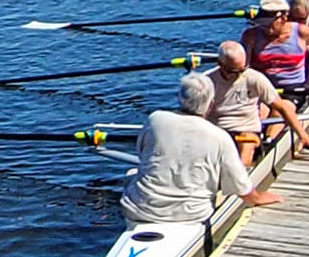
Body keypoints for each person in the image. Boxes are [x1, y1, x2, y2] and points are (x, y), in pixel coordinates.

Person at [120, 72, 282, 227]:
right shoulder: (220, 137)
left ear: (179, 98)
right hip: (191, 215)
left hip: (140, 210)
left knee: (132, 173)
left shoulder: (155, 119)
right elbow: (240, 185)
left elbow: (141, 153)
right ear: (211, 105)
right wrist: (257, 198)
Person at [206, 41, 309, 165]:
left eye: (242, 69)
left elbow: (282, 107)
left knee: (246, 147)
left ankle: (242, 175)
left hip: (246, 129)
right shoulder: (208, 82)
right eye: (233, 71)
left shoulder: (255, 78)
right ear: (220, 64)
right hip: (217, 130)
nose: (239, 75)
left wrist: (304, 137)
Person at [241, 0, 309, 90]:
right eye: (263, 24)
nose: (265, 28)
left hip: (293, 88)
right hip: (263, 89)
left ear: (283, 19)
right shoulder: (250, 36)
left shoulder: (301, 31)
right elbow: (244, 67)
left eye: (270, 24)